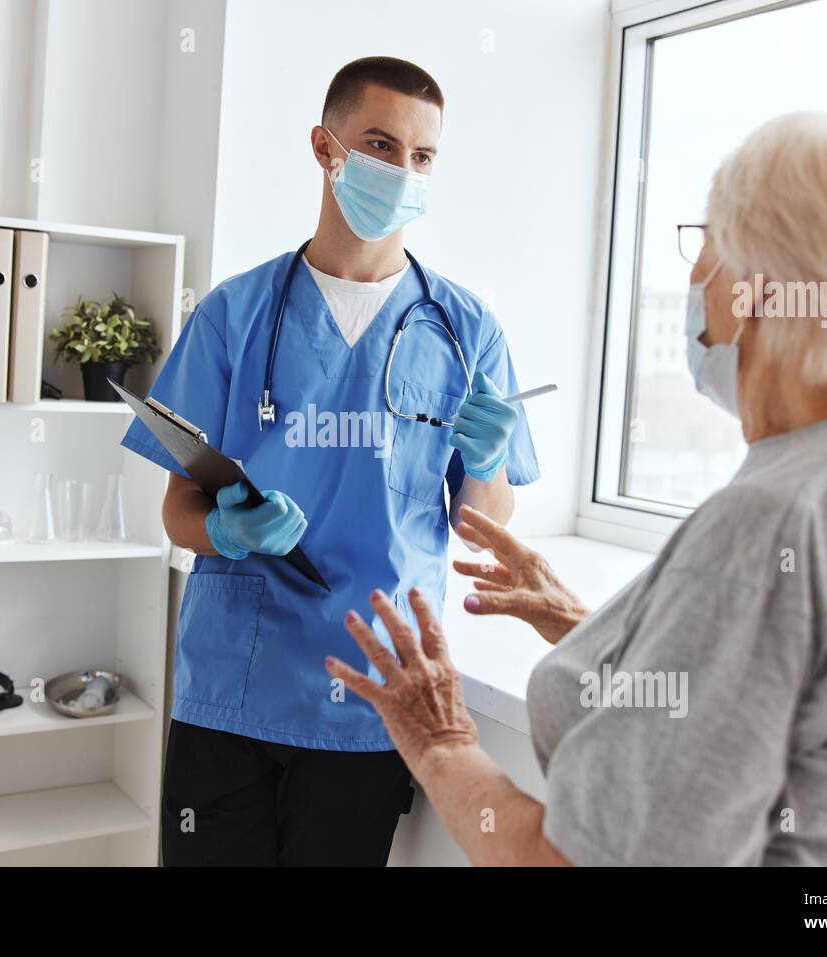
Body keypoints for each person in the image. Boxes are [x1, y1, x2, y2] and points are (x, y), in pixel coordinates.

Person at [327, 102, 827, 865]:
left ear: (765, 289)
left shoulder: (779, 522)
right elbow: (803, 711)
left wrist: (438, 739)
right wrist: (597, 626)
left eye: (709, 245)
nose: (696, 276)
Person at [121, 56, 539, 866]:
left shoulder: (467, 330)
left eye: (422, 158)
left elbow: (480, 525)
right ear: (326, 147)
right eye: (380, 145)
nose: (402, 171)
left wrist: (484, 462)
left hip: (375, 698)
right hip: (232, 694)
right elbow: (176, 512)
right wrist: (229, 531)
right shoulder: (233, 316)